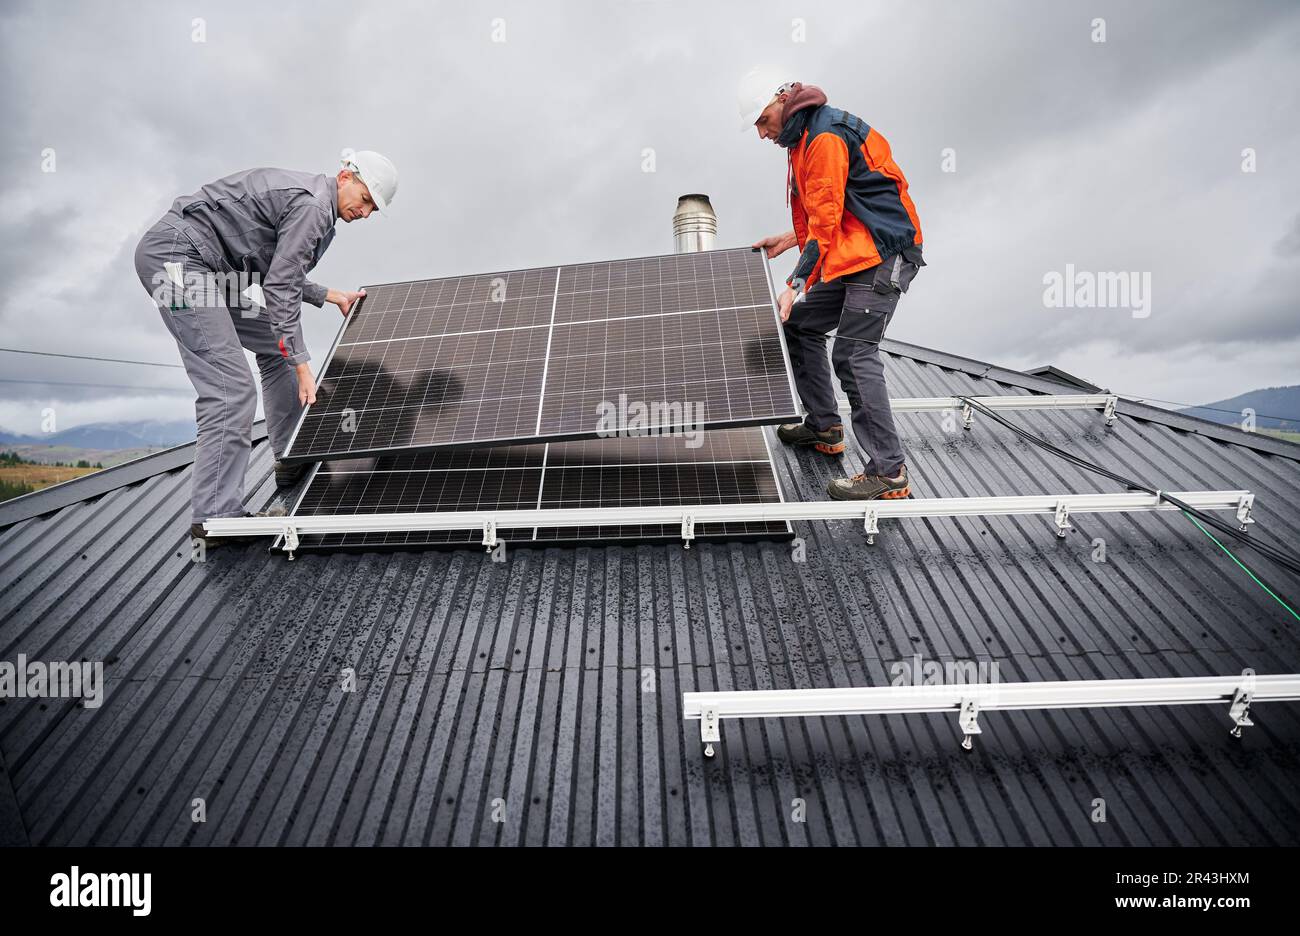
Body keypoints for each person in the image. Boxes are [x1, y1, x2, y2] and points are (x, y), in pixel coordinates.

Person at [133, 152, 398, 542]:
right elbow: (279, 290)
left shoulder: (313, 206)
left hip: (213, 273)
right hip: (177, 263)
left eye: (374, 208)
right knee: (231, 388)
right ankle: (215, 518)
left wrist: (326, 294)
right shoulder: (312, 206)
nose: (366, 211)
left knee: (274, 347)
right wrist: (303, 365)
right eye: (366, 198)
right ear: (345, 177)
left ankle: (290, 456)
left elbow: (277, 273)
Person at [740, 68, 924, 501]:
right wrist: (789, 239)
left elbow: (824, 222)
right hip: (853, 252)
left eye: (762, 121)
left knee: (855, 353)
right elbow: (834, 207)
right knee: (800, 326)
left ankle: (888, 471)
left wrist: (795, 281)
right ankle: (824, 425)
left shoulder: (824, 138)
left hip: (884, 254)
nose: (762, 134)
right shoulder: (801, 138)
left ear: (781, 101)